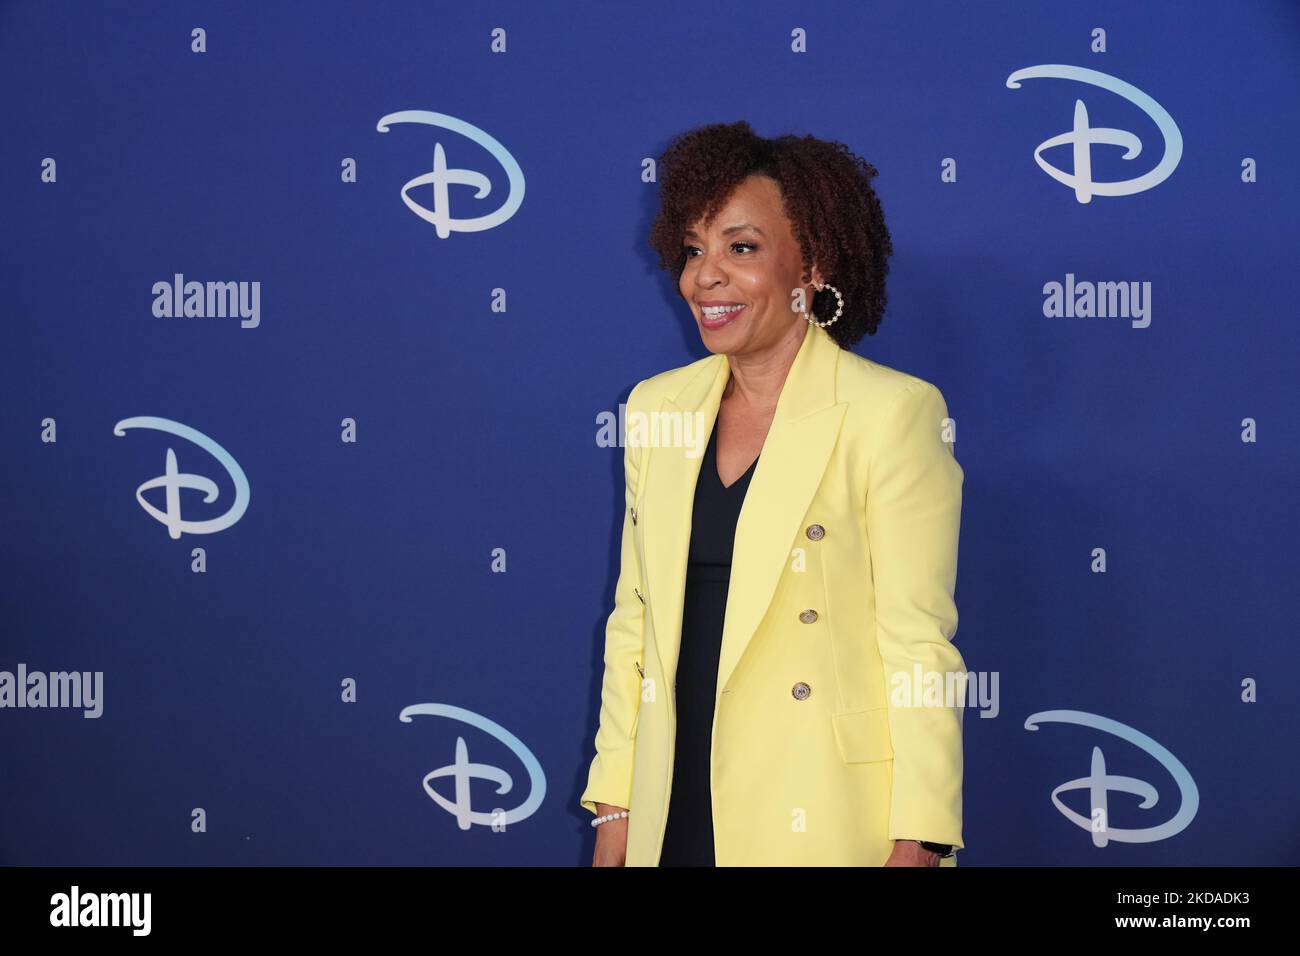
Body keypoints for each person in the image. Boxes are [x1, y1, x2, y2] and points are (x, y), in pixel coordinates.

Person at [580, 121, 966, 867]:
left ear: (812, 264)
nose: (705, 276)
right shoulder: (657, 407)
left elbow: (919, 645)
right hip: (673, 795)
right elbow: (636, 620)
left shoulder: (892, 413)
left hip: (821, 803)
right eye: (693, 250)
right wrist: (615, 803)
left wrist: (920, 835)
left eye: (741, 248)